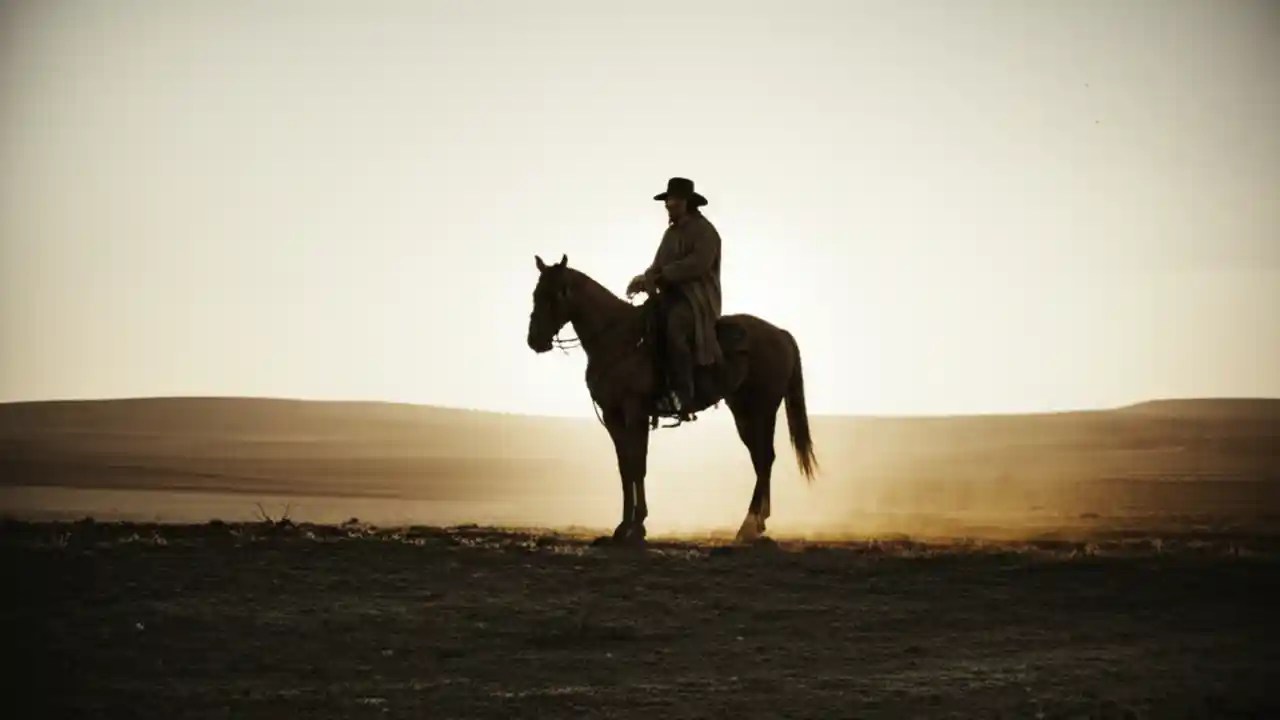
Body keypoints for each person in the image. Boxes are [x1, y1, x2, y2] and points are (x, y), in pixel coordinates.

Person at [626, 177, 723, 416]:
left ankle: (683, 395)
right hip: (670, 296)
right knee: (642, 323)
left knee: (675, 328)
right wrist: (644, 278)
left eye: (674, 200)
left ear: (687, 202)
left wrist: (661, 276)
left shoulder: (706, 232)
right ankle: (654, 387)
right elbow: (658, 264)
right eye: (668, 200)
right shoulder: (670, 234)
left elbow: (697, 264)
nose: (668, 205)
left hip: (697, 300)